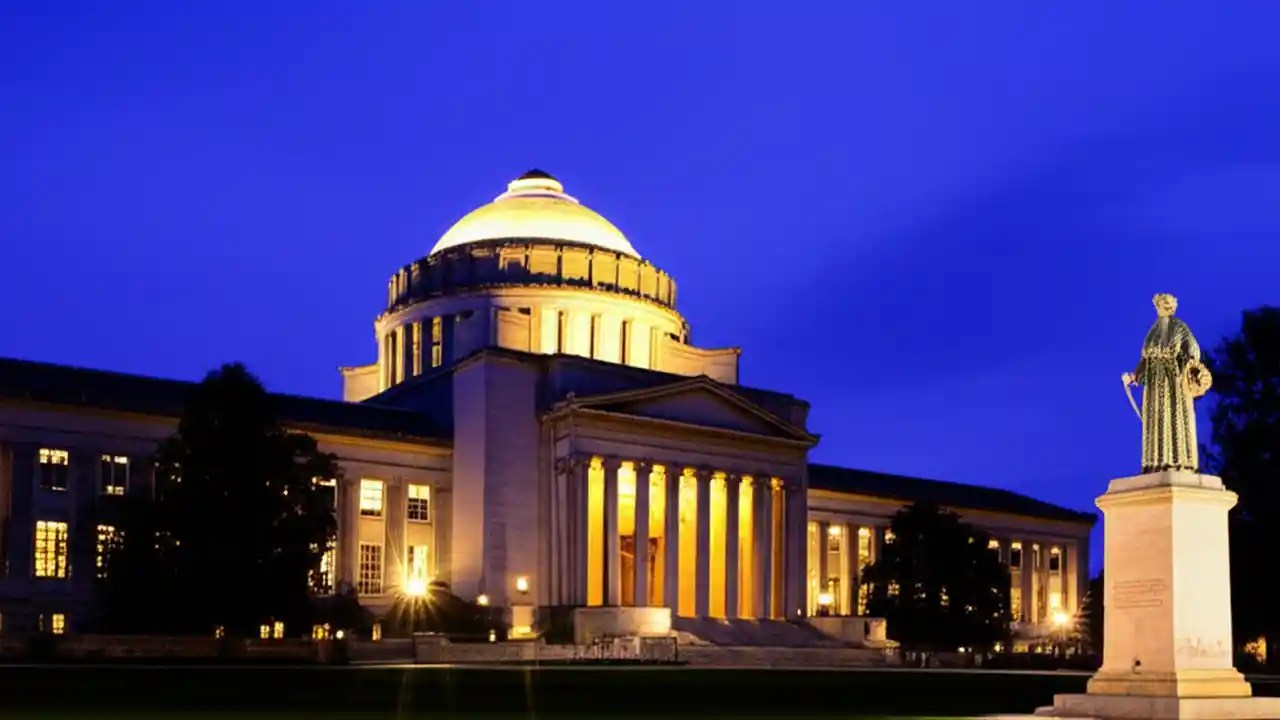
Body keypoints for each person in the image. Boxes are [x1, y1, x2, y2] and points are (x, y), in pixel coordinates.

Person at [1122, 293, 1210, 473]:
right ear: (1157, 306)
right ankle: (1154, 463)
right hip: (1154, 383)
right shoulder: (1153, 331)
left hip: (1173, 381)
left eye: (1170, 304)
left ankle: (1178, 461)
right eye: (1163, 303)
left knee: (1174, 417)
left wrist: (1189, 368)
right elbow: (1146, 359)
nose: (1167, 307)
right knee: (1156, 419)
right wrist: (1134, 376)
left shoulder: (1180, 328)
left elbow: (1193, 352)